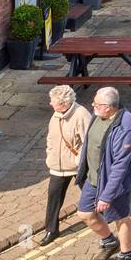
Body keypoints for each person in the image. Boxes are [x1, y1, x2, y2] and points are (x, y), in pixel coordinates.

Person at [75, 86, 131, 260]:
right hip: (93, 177)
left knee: (121, 217)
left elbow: (120, 165)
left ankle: (126, 256)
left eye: (96, 103)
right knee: (85, 213)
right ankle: (110, 242)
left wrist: (107, 195)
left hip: (114, 183)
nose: (92, 105)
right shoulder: (98, 115)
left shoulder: (126, 125)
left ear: (109, 107)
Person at [41, 85, 92, 245]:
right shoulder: (56, 114)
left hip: (77, 166)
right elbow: (51, 137)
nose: (50, 104)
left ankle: (102, 215)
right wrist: (50, 155)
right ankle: (51, 230)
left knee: (91, 192)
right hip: (57, 166)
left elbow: (89, 143)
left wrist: (79, 162)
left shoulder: (81, 115)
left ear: (64, 103)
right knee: (53, 196)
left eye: (53, 101)